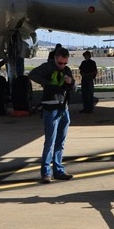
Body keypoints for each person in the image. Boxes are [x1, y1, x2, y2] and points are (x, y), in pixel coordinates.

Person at [29, 47, 75, 183]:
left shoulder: (66, 70)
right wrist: (47, 83)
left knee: (60, 142)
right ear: (55, 58)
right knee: (50, 142)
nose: (62, 66)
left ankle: (58, 170)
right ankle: (46, 172)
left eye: (65, 63)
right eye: (60, 63)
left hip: (63, 108)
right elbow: (32, 74)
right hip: (51, 109)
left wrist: (70, 82)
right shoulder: (47, 67)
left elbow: (74, 88)